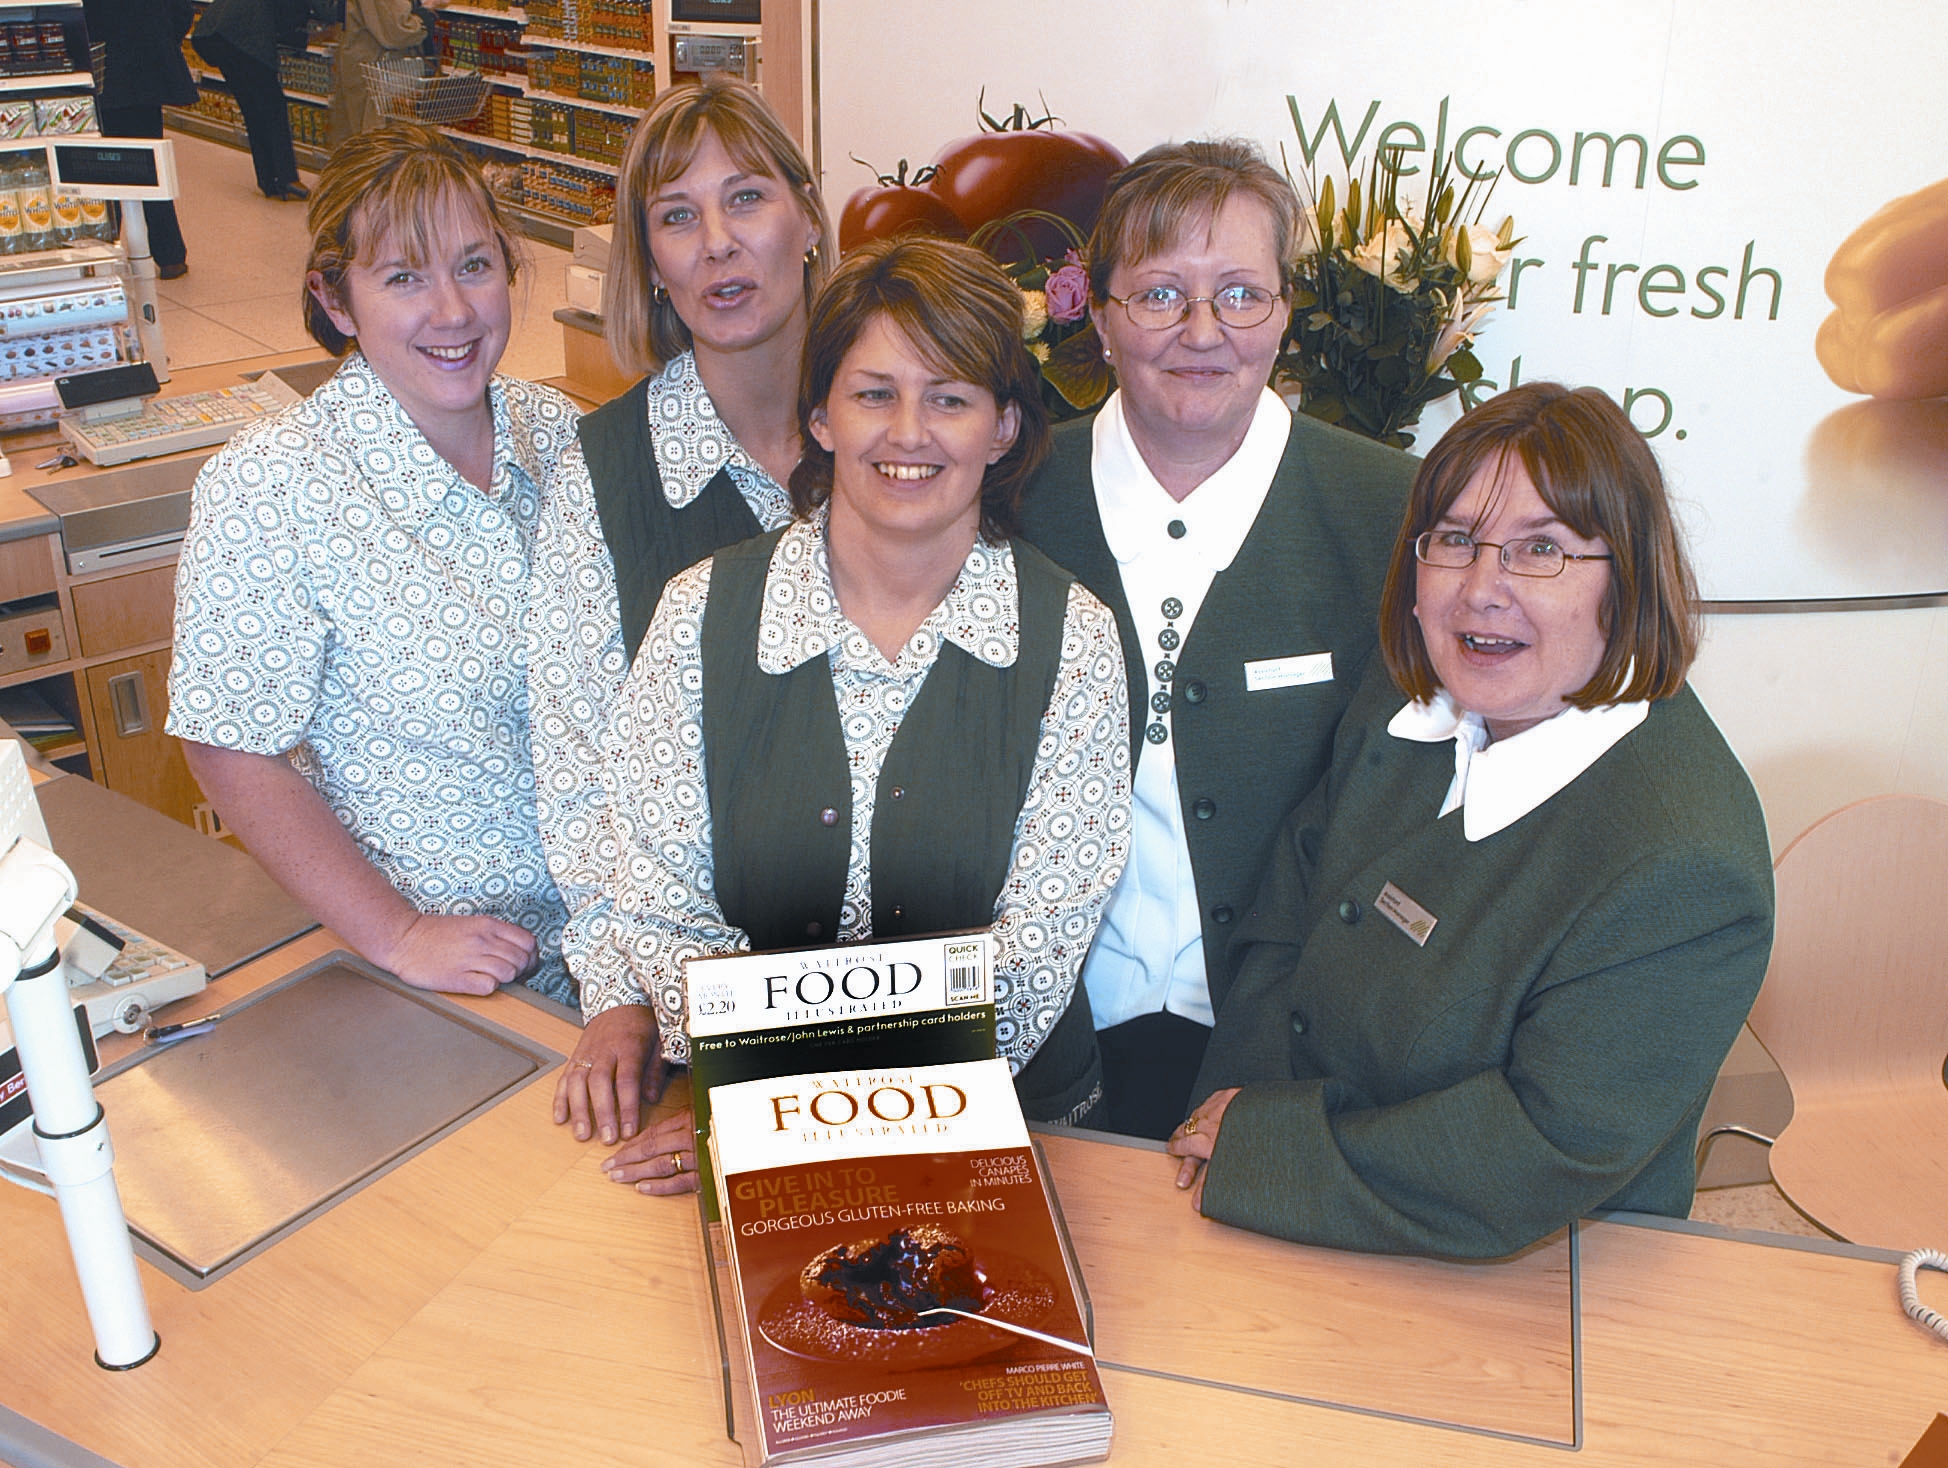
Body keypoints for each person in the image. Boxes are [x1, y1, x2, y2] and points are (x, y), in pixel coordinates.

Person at [572, 236, 1133, 1192]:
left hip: (1016, 1142)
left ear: (1002, 428)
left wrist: (783, 1117)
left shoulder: (1071, 638)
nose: (908, 433)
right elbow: (660, 910)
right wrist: (773, 1117)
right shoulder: (700, 614)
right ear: (821, 417)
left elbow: (1033, 960)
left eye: (949, 397)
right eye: (874, 393)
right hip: (751, 1126)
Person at [1166, 383, 1775, 1259]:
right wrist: (1233, 1111)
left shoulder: (1684, 865)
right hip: (1293, 1208)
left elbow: (1541, 1146)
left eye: (1541, 550)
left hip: (1533, 1278)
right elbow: (1286, 912)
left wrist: (1265, 1145)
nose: (1482, 590)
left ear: (1628, 579)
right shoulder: (1405, 699)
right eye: (1455, 540)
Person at [1019, 140, 1420, 1139]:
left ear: (1285, 311)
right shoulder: (1010, 496)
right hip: (1045, 1032)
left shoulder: (1392, 513)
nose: (1202, 332)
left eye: (1240, 293)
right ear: (1099, 315)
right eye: (1159, 295)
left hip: (1281, 1047)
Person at [167, 122, 582, 1005]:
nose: (454, 312)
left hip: (621, 943)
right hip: (461, 974)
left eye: (475, 265)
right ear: (336, 299)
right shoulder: (271, 487)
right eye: (404, 277)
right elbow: (228, 742)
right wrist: (397, 934)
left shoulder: (559, 434)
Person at [530, 76, 832, 1147]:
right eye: (675, 216)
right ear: (648, 261)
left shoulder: (896, 422)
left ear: (805, 216)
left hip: (895, 959)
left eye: (745, 199)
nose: (715, 243)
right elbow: (577, 756)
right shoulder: (605, 474)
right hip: (695, 973)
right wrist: (615, 985)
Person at [83, 0, 196, 278]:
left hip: (103, 70)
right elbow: (181, 11)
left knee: (104, 168)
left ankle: (103, 252)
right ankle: (170, 256)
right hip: (148, 68)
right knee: (151, 165)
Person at [192, 0, 312, 201]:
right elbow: (301, 14)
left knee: (253, 109)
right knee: (273, 108)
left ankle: (268, 180)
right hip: (245, 39)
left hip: (213, 34)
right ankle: (286, 178)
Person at [330, 0, 449, 146]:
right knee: (385, 146)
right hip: (383, 74)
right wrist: (427, 10)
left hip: (372, 67)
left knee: (369, 143)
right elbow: (399, 31)